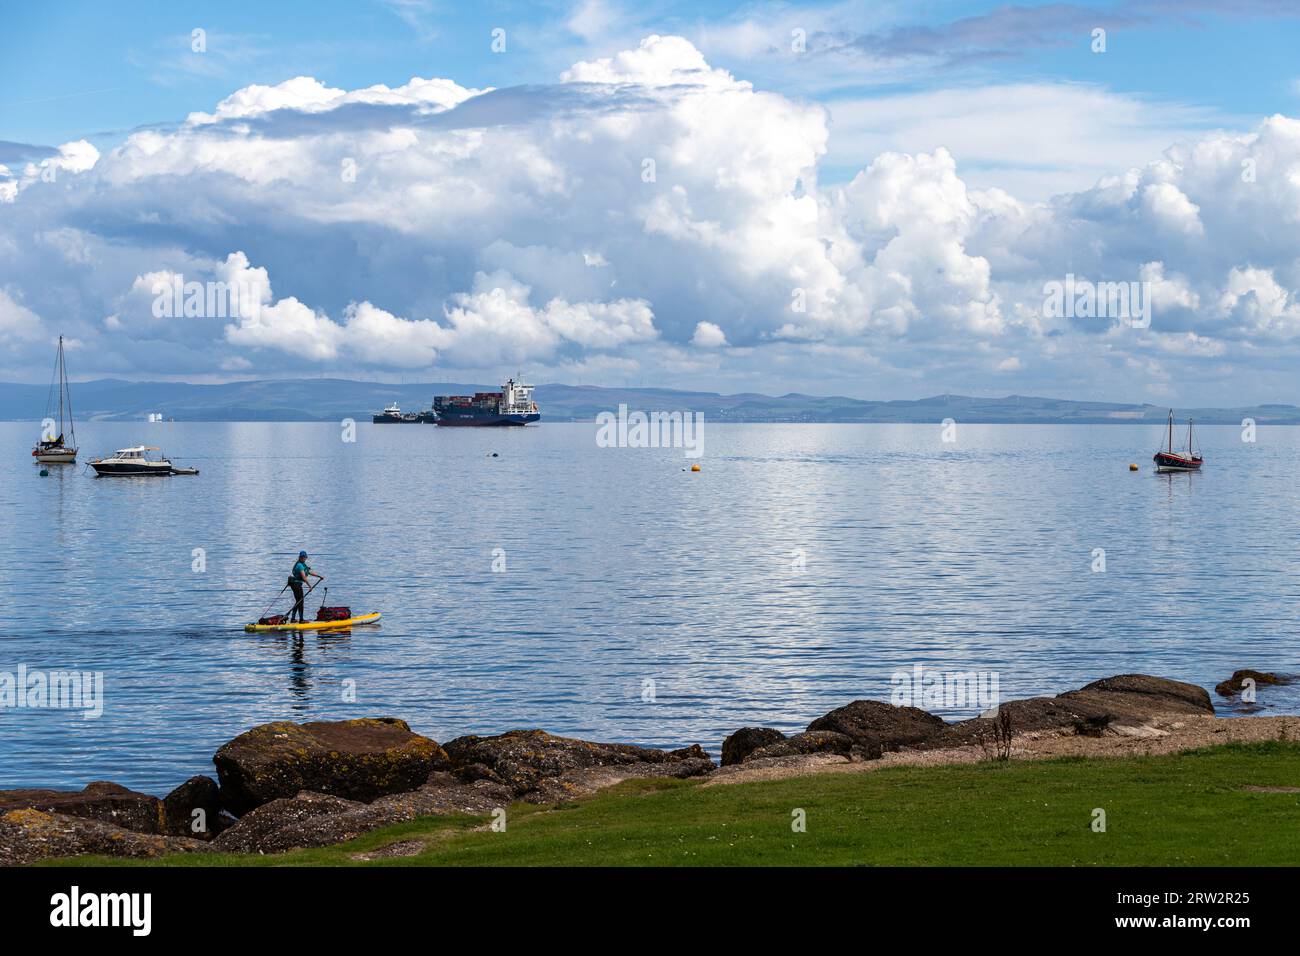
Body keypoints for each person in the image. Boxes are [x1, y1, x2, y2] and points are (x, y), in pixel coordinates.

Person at [287, 550, 324, 623]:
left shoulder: (302, 564)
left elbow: (309, 572)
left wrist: (319, 576)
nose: (304, 558)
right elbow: (304, 577)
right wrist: (310, 586)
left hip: (296, 585)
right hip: (296, 585)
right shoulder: (300, 565)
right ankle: (301, 620)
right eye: (302, 557)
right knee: (300, 602)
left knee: (298, 601)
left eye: (305, 557)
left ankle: (293, 619)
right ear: (300, 557)